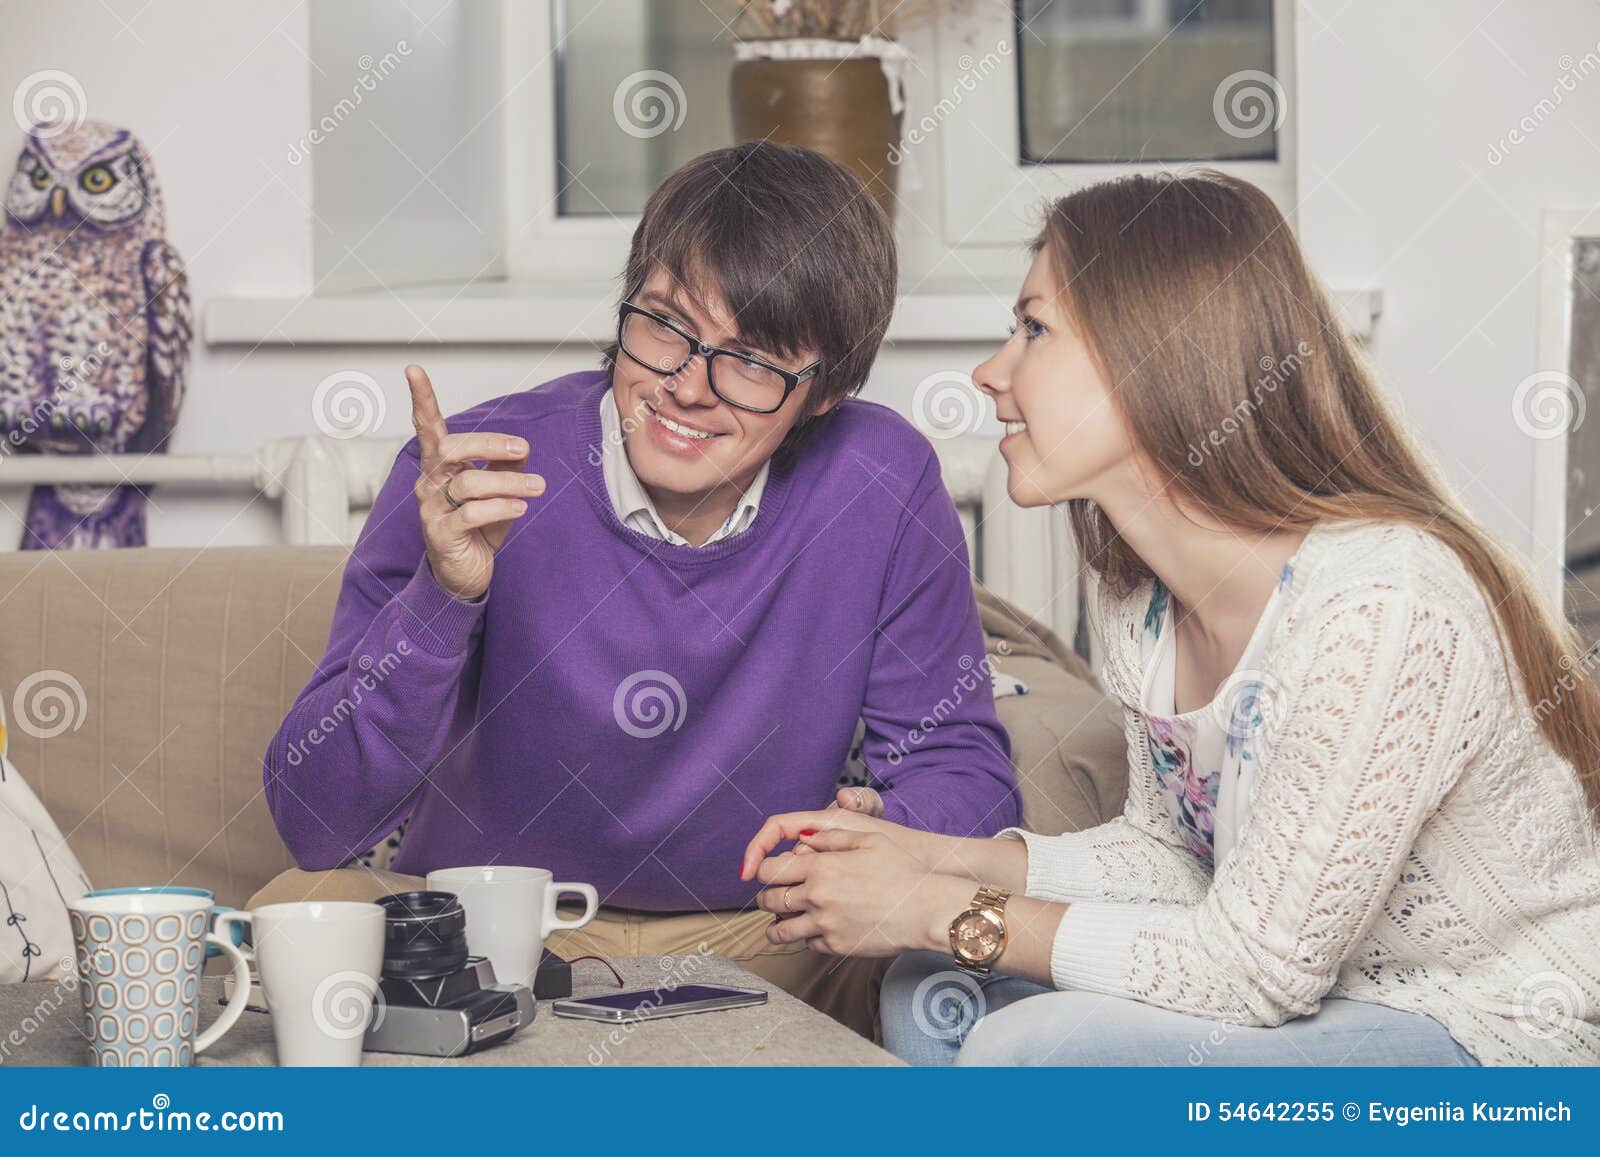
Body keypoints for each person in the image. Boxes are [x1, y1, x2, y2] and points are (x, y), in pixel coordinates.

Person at [739, 169, 1600, 1065]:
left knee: (1031, 1050)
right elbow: (1174, 860)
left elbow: (1259, 968)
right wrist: (927, 857)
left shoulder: (1381, 609)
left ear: (1153, 355)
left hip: (1490, 1031)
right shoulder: (1138, 598)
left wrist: (931, 905)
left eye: (1034, 329)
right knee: (933, 988)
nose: (992, 372)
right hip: (1329, 991)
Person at [255, 142, 1020, 1039]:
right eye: (663, 326)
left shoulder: (881, 479)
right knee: (300, 901)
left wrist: (893, 825)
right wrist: (442, 597)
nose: (686, 387)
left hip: (765, 936)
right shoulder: (473, 470)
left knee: (948, 961)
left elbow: (970, 782)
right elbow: (314, 818)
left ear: (826, 393)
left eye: (753, 360)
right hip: (495, 940)